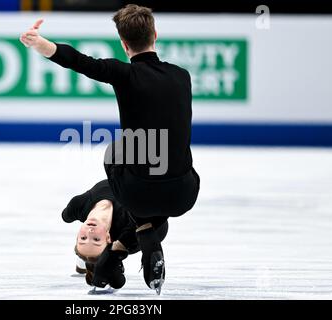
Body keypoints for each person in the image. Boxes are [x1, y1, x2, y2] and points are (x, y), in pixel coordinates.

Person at [20, 4, 200, 292]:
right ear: (155, 34)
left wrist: (41, 44)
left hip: (140, 197)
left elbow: (81, 62)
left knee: (116, 152)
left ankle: (143, 229)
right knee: (173, 153)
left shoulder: (123, 74)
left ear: (123, 43)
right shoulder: (182, 76)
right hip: (184, 195)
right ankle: (127, 246)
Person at [61, 180, 168, 289]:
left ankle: (89, 259)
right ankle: (101, 261)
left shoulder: (77, 207)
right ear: (108, 238)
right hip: (154, 226)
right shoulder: (128, 221)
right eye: (96, 239)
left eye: (83, 238)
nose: (90, 231)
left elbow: (65, 216)